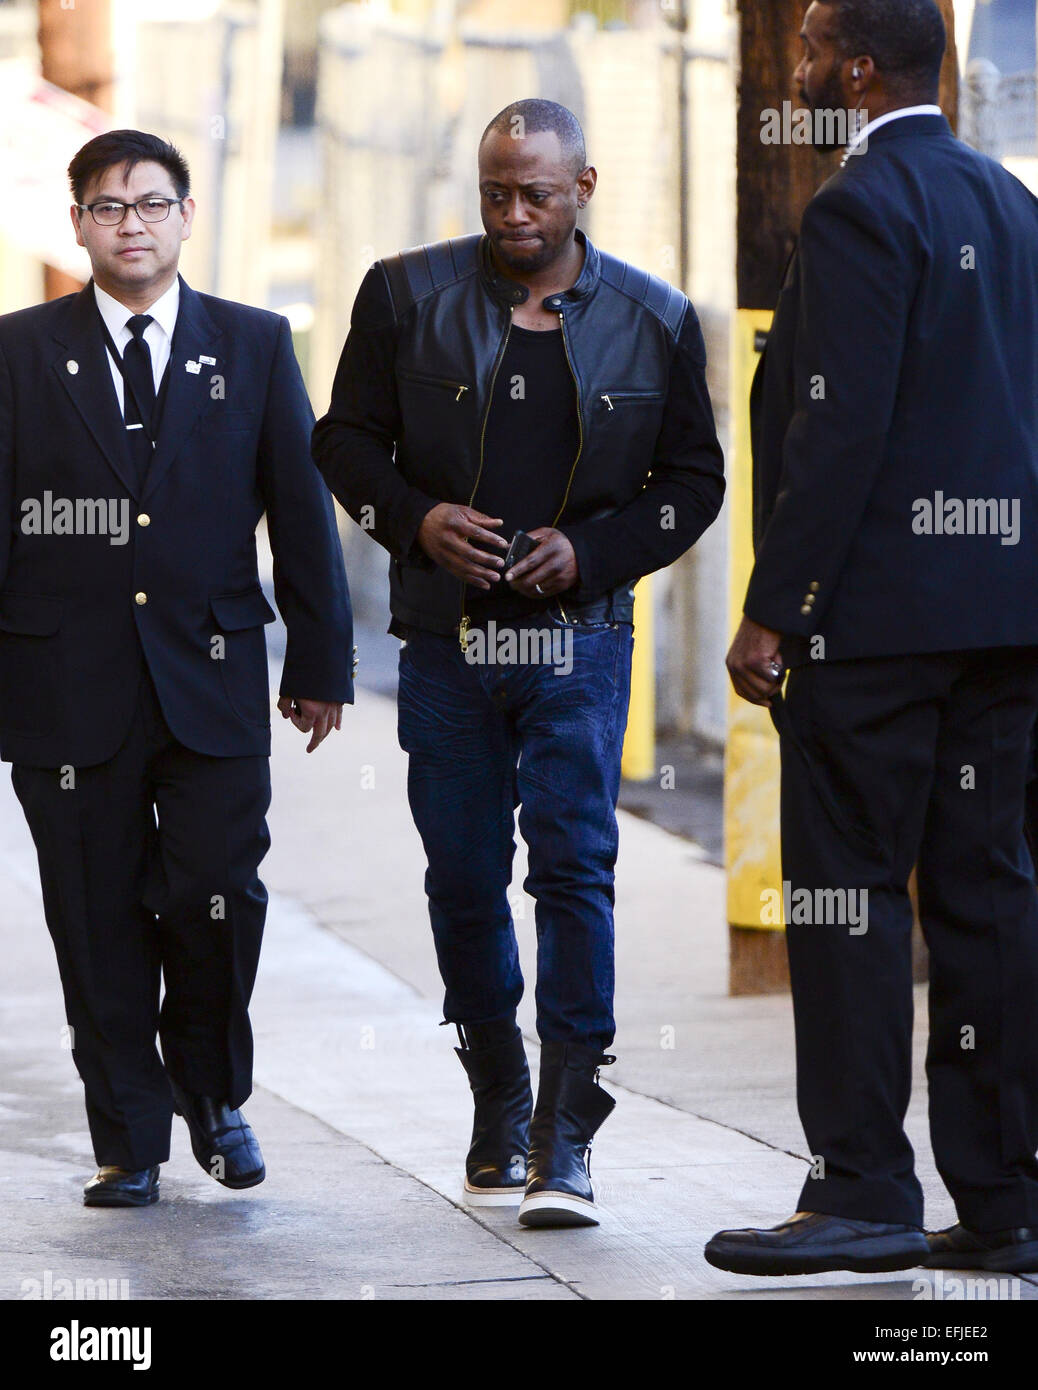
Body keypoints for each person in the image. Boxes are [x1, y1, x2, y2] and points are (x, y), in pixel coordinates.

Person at [313, 98, 724, 1227]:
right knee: (459, 872)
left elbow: (696, 482)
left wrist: (593, 550)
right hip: (447, 644)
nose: (512, 213)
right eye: (496, 190)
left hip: (578, 641)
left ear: (583, 185)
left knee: (573, 870)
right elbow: (339, 439)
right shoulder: (405, 294)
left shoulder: (656, 318)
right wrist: (414, 518)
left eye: (535, 191)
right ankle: (497, 1085)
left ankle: (566, 1127)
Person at [713, 0, 1038, 1276]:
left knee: (846, 897)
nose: (794, 64)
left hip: (882, 628)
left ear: (853, 66)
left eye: (806, 46)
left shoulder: (860, 206)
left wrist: (773, 610)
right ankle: (1008, 1198)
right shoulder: (1013, 205)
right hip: (1006, 623)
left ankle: (861, 1188)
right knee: (989, 894)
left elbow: (839, 428)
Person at [0, 130, 354, 1207]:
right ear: (79, 226)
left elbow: (302, 512)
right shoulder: (18, 352)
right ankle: (129, 1138)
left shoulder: (252, 344)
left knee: (214, 894)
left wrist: (321, 658)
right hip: (64, 689)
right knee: (93, 912)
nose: (133, 224)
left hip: (212, 679)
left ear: (187, 216)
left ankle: (215, 1094)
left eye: (153, 204)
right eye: (110, 208)